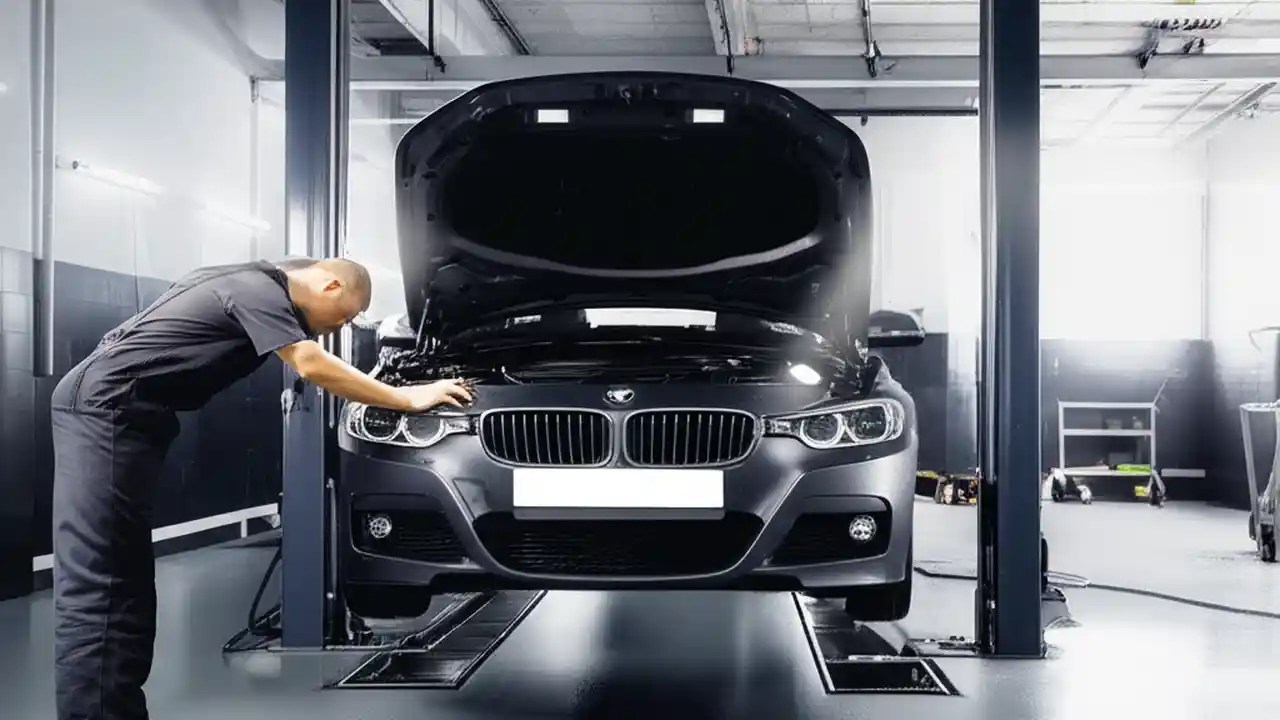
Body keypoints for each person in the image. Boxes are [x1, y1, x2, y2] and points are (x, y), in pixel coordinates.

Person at [49, 257, 471, 720]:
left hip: (121, 416)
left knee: (125, 582)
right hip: (106, 410)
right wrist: (409, 397)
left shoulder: (236, 281)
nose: (340, 327)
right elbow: (310, 364)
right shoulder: (258, 289)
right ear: (330, 285)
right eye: (347, 316)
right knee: (103, 583)